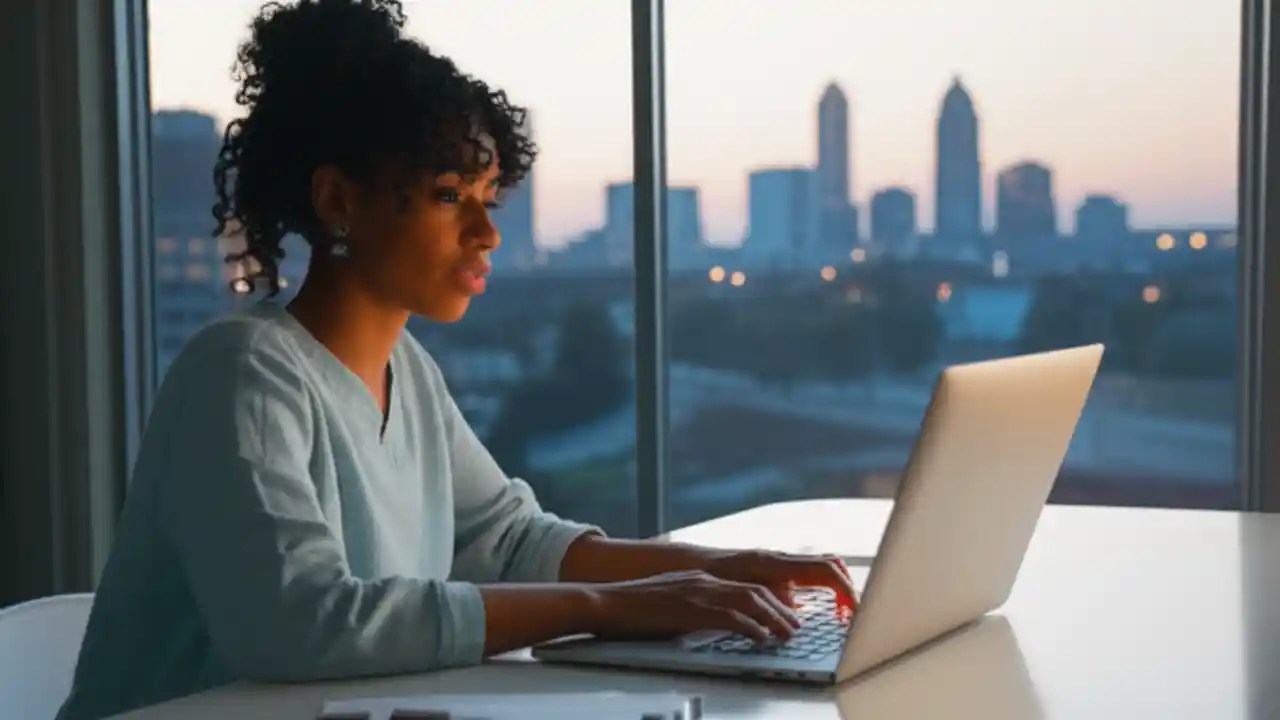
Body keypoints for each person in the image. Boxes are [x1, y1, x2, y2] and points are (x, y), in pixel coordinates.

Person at [58, 1, 855, 718]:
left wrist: (726, 570)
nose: (487, 233)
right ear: (338, 200)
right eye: (450, 197)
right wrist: (613, 608)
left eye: (489, 199)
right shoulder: (240, 373)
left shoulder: (412, 376)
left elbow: (514, 545)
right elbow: (300, 626)